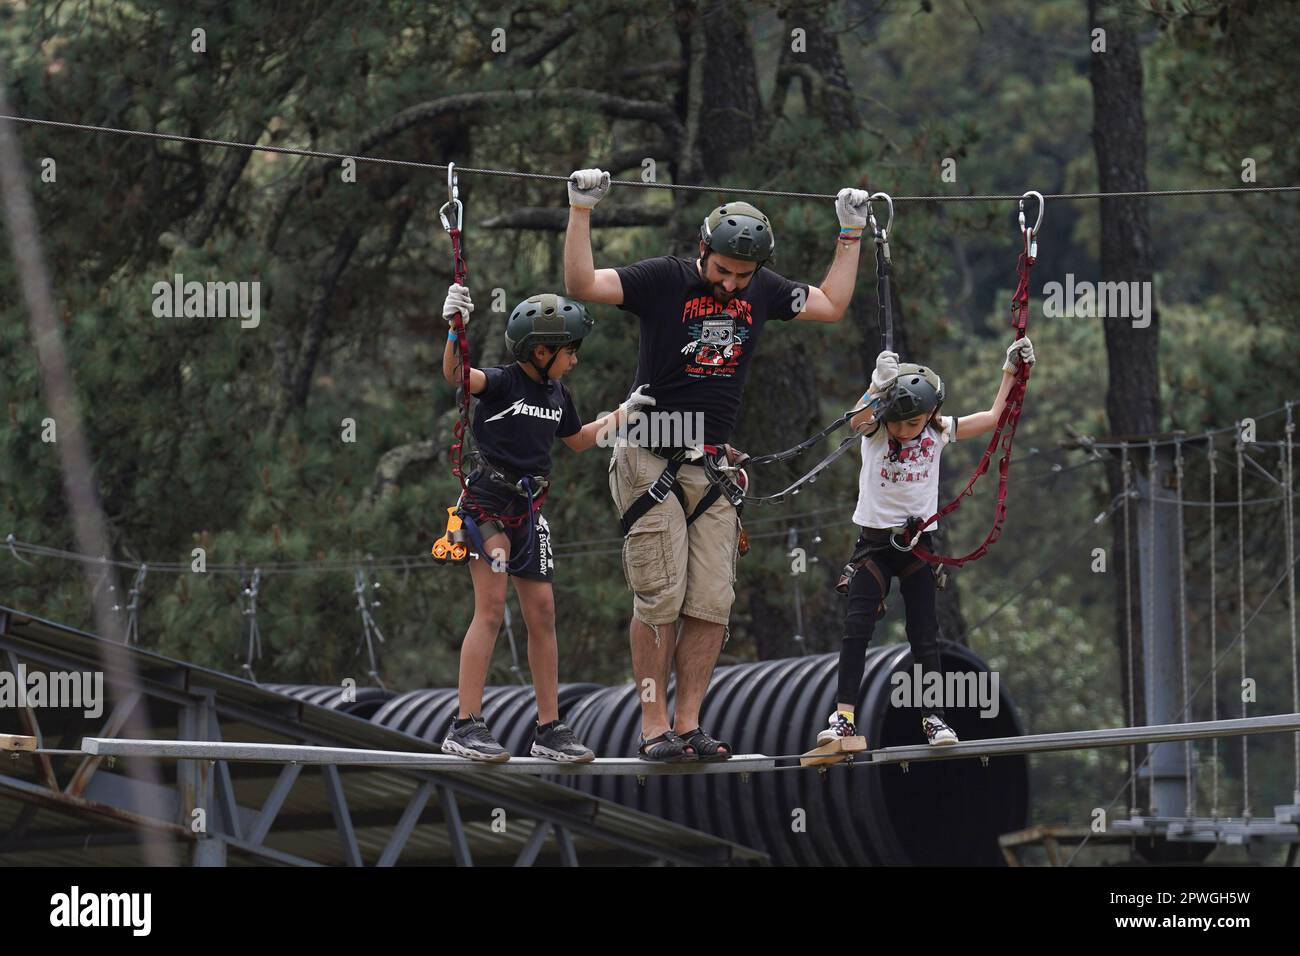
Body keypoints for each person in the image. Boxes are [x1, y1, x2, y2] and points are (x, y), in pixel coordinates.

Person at [564, 167, 871, 761]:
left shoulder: (762, 291)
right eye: (722, 270)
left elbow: (831, 304)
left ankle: (688, 725)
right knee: (660, 595)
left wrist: (850, 232)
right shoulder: (663, 279)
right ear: (703, 251)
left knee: (710, 601)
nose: (731, 285)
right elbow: (582, 283)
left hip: (711, 466)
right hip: (648, 454)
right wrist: (581, 209)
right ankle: (653, 727)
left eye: (742, 276)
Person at [437, 283, 653, 762]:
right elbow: (457, 375)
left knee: (543, 615)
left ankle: (549, 728)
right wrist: (455, 328)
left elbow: (577, 439)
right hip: (487, 508)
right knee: (491, 610)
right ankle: (465, 723)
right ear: (540, 350)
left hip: (528, 513)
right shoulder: (502, 382)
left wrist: (624, 413)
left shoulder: (558, 392)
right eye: (569, 352)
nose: (574, 360)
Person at [821, 338, 1036, 747]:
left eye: (913, 422)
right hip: (875, 546)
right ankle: (844, 717)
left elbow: (993, 417)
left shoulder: (938, 431)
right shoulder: (876, 430)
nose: (904, 430)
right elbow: (855, 421)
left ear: (930, 413)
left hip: (918, 546)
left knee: (924, 633)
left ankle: (934, 717)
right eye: (898, 422)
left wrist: (1011, 372)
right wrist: (876, 386)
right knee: (856, 628)